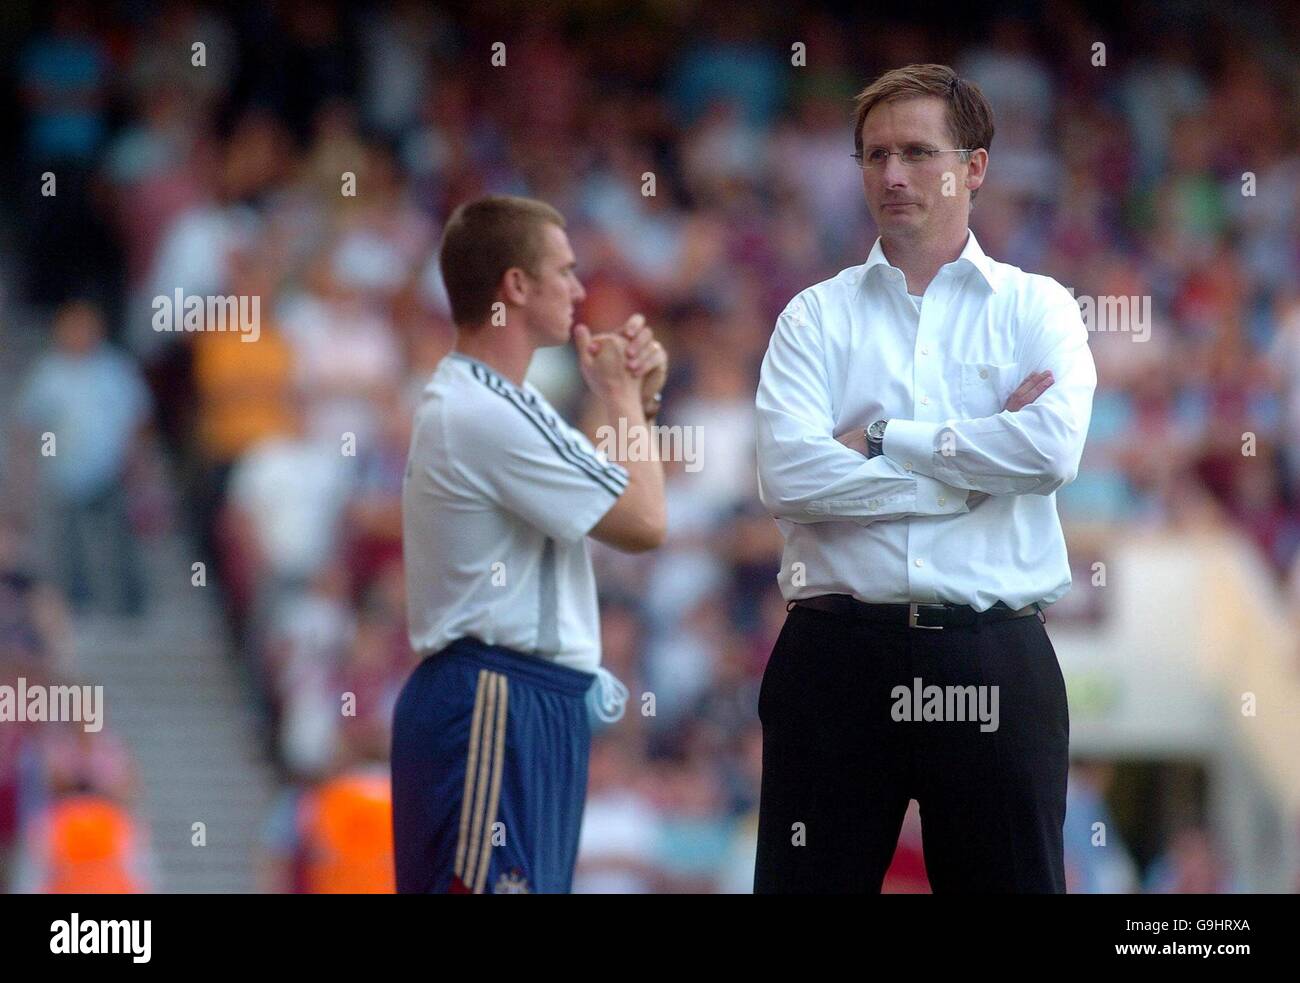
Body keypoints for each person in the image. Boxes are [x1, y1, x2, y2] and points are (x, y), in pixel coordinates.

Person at [753, 64, 1096, 893]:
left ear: (973, 167)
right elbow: (788, 473)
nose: (892, 175)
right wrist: (961, 475)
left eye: (916, 152)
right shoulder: (813, 315)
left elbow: (1049, 452)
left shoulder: (1038, 306)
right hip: (836, 655)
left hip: (993, 653)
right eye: (874, 155)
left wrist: (880, 438)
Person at [393, 195, 668, 894]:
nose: (580, 289)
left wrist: (624, 397)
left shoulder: (501, 402)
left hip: (519, 700)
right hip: (497, 698)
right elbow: (643, 521)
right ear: (515, 286)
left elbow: (616, 497)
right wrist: (627, 399)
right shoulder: (486, 409)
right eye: (566, 270)